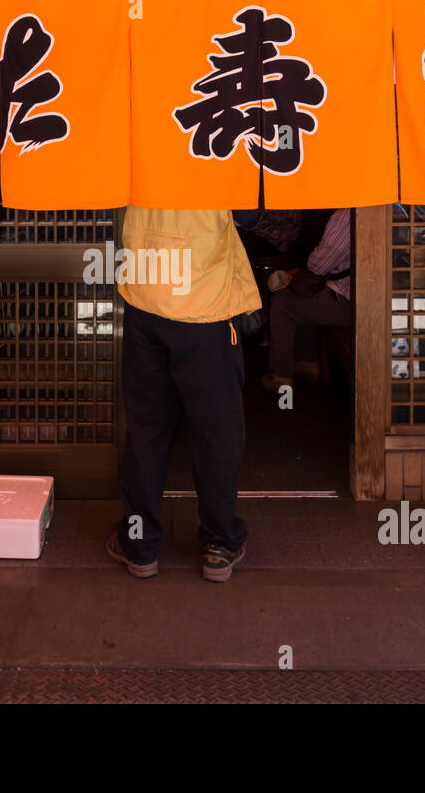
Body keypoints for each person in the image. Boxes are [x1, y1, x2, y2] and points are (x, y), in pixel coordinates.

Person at [107, 206, 262, 583]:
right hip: (205, 305)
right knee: (216, 433)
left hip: (146, 298)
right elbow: (250, 217)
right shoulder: (219, 148)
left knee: (147, 431)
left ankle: (140, 545)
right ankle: (219, 545)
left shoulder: (135, 145)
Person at [261, 207, 351, 391]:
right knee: (304, 296)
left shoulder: (347, 215)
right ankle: (307, 363)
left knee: (282, 302)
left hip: (347, 302)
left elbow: (321, 263)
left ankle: (281, 375)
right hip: (370, 297)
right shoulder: (381, 207)